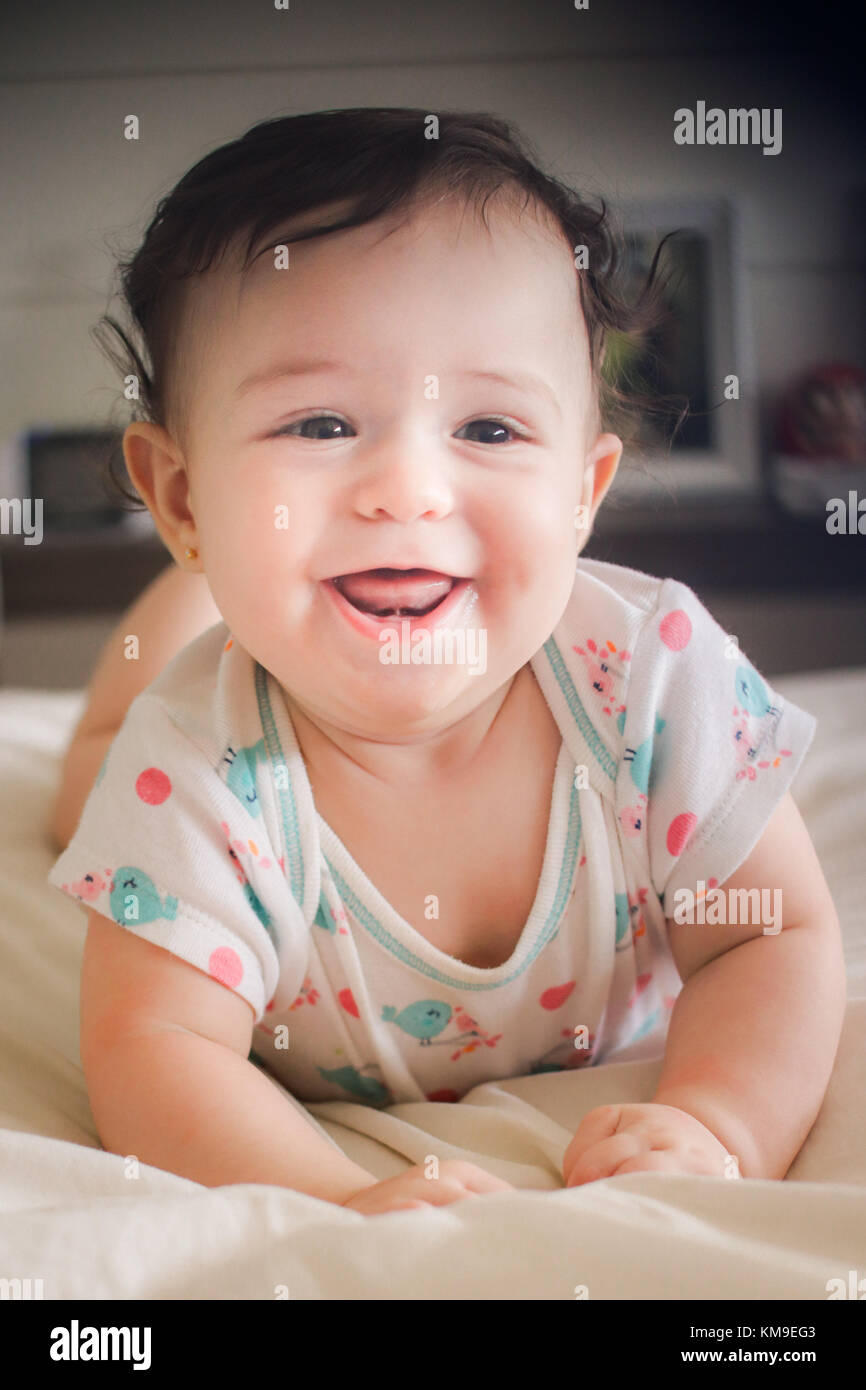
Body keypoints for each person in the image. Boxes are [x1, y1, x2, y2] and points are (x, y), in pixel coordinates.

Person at [47, 108, 846, 1217]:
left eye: (489, 430)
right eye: (321, 424)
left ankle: (216, 581)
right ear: (180, 496)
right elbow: (152, 1048)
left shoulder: (651, 679)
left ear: (583, 489)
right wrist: (337, 1196)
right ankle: (186, 601)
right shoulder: (191, 767)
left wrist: (714, 1120)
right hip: (200, 700)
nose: (409, 489)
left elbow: (770, 935)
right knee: (87, 777)